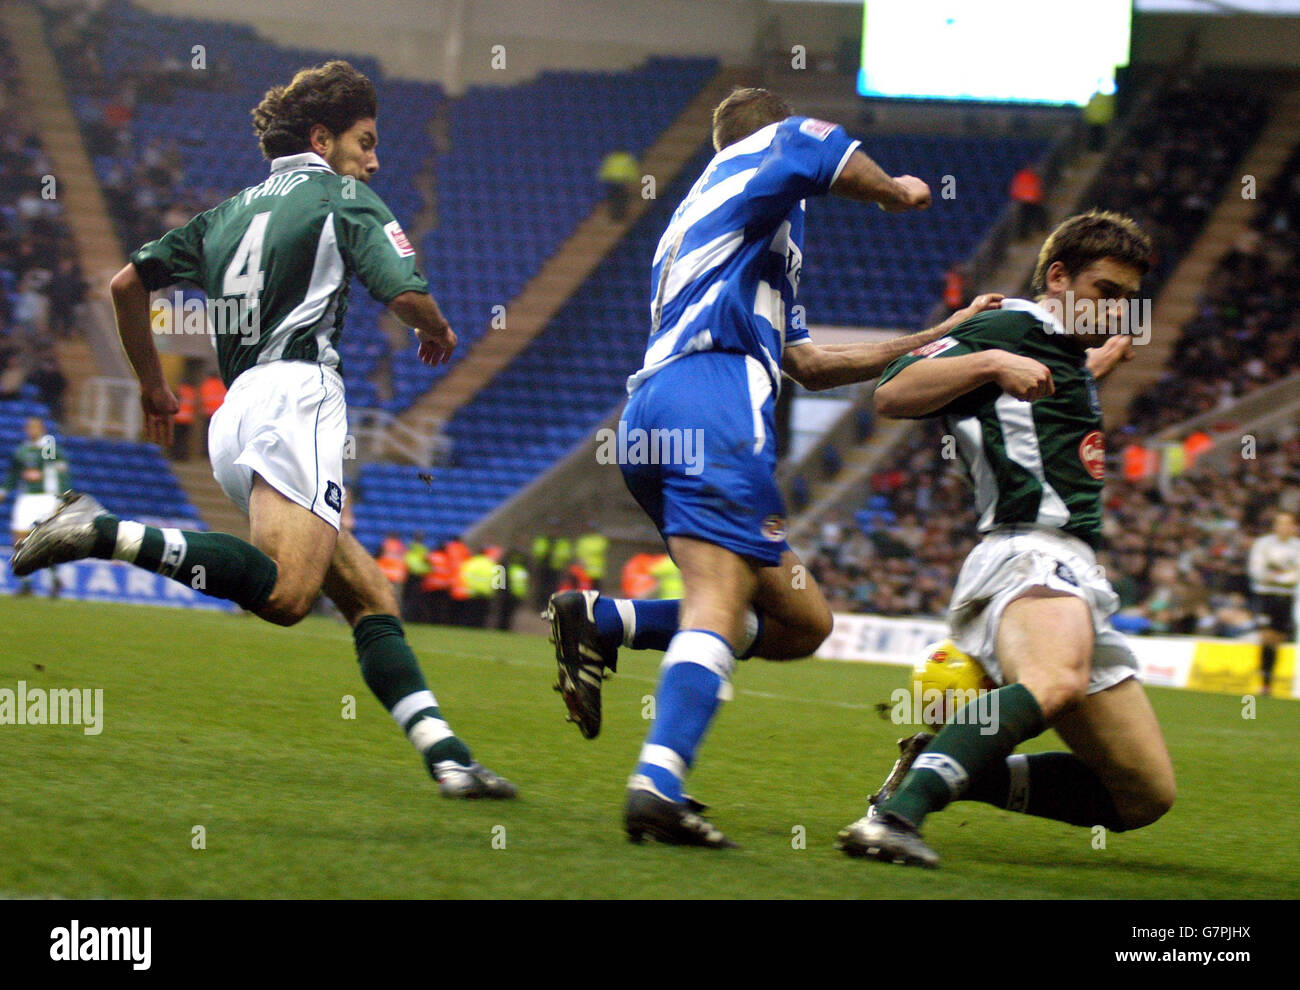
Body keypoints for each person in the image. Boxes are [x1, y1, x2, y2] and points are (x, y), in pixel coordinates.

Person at [11, 60, 514, 799]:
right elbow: (406, 293)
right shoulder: (346, 198)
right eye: (365, 141)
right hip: (298, 394)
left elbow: (126, 285)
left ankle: (449, 758)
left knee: (371, 595)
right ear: (322, 137)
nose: (373, 159)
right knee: (285, 597)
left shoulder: (228, 211)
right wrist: (435, 328)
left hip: (234, 411)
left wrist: (154, 385)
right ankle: (102, 530)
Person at [547, 86, 1000, 847]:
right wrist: (897, 192)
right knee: (719, 598)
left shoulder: (730, 230)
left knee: (801, 621)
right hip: (712, 397)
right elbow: (813, 145)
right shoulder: (757, 152)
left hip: (656, 416)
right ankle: (657, 784)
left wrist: (937, 334)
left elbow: (808, 363)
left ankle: (603, 619)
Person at [836, 210, 1176, 867]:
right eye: (1105, 292)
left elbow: (1038, 412)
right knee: (1052, 682)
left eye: (1126, 301)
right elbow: (892, 391)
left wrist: (1096, 364)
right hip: (1028, 549)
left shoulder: (1066, 354)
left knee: (1142, 794)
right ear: (1057, 275)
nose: (1115, 311)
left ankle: (953, 768)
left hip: (1076, 570)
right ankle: (895, 822)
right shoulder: (1012, 324)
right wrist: (991, 360)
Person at [2, 417, 70, 596]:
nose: (31, 430)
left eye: (35, 427)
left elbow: (59, 472)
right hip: (26, 498)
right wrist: (3, 491)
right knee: (18, 538)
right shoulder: (22, 450)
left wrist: (63, 498)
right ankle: (26, 583)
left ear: (42, 429)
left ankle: (55, 578)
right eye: (29, 427)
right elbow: (14, 475)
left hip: (47, 498)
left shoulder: (49, 445)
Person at [1247, 510, 1300, 696]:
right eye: (1279, 522)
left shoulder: (1297, 547)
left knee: (1277, 640)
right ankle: (1264, 683)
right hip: (1266, 595)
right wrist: (1284, 575)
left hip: (1287, 597)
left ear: (1294, 526)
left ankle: (1269, 682)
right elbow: (1257, 571)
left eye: (1287, 523)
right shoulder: (1263, 544)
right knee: (1266, 636)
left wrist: (1275, 576)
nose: (1282, 527)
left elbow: (1296, 576)